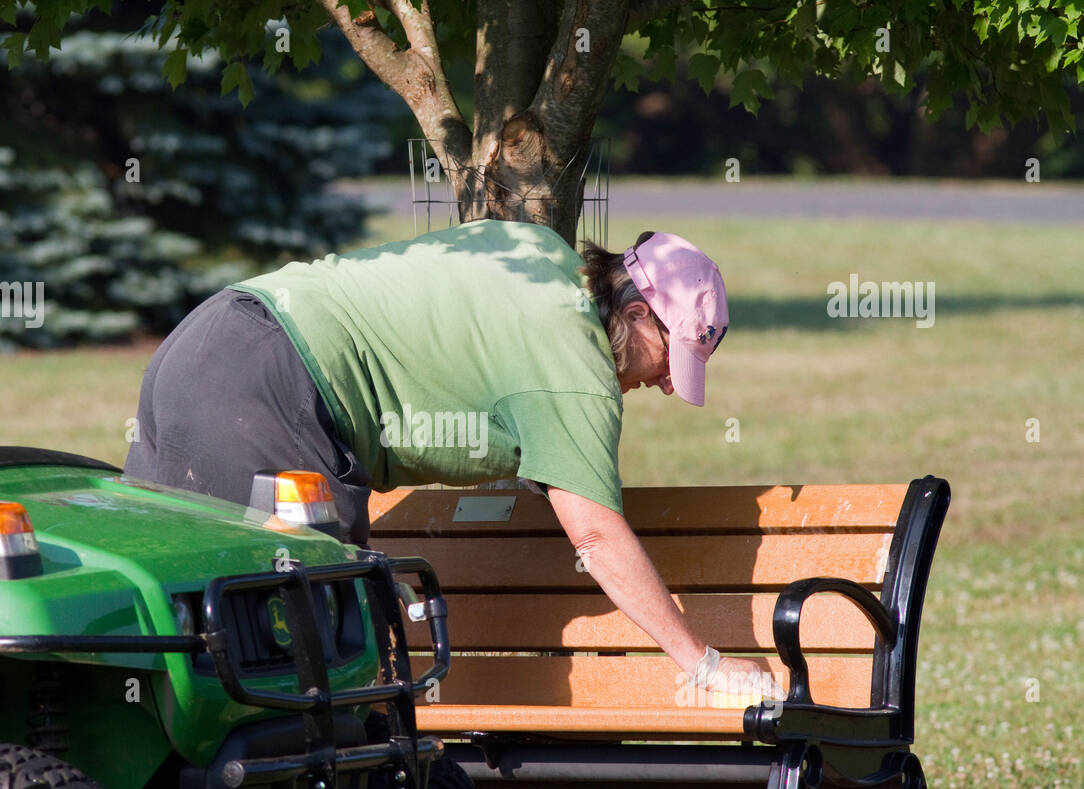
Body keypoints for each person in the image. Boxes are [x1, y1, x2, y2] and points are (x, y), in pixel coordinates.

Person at [124, 219, 781, 699]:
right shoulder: (575, 365)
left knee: (172, 614)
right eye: (673, 361)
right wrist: (702, 663)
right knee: (313, 654)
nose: (667, 385)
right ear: (637, 314)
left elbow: (460, 344)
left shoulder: (539, 250)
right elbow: (597, 533)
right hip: (271, 386)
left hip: (209, 336)